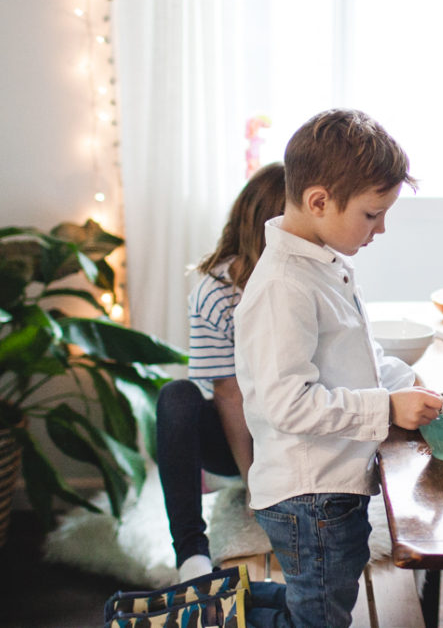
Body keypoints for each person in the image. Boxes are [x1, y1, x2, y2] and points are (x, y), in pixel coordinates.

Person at [234, 108, 443, 627]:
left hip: (333, 487)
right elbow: (287, 402)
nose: (382, 228)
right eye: (372, 214)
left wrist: (403, 382)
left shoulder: (323, 263)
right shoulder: (284, 285)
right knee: (321, 617)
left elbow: (356, 360)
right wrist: (386, 407)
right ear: (319, 201)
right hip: (310, 495)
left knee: (323, 596)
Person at [156, 161, 286, 583]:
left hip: (293, 420)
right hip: (237, 433)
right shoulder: (215, 292)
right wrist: (252, 478)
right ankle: (191, 554)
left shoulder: (309, 277)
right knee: (177, 395)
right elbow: (228, 394)